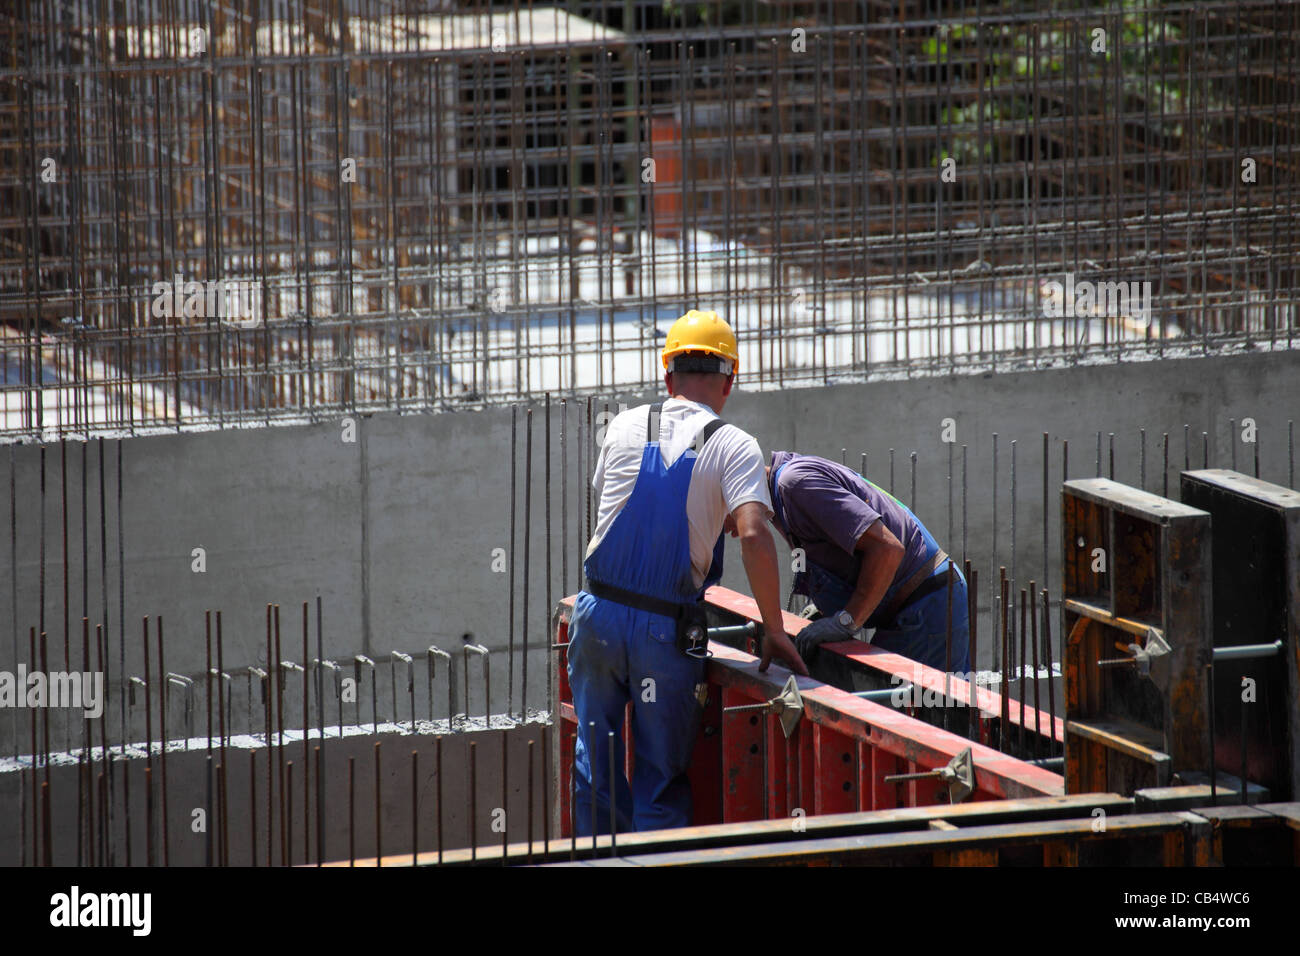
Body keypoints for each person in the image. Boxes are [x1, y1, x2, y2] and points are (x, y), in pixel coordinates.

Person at [567, 309, 807, 836]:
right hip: (662, 630)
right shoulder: (734, 444)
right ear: (730, 381)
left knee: (595, 767)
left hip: (598, 615)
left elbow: (614, 509)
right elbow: (751, 533)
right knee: (659, 776)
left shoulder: (624, 424)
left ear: (668, 375)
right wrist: (772, 627)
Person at [761, 450, 971, 680]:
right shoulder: (780, 500)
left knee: (909, 712)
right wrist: (827, 609)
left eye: (722, 515)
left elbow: (887, 550)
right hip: (915, 606)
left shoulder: (796, 485)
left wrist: (845, 621)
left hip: (926, 607)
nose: (730, 531)